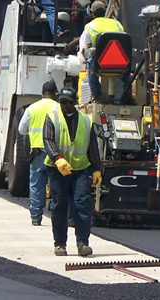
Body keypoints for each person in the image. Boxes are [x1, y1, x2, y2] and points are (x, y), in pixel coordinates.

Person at [42, 86, 102, 257]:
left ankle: (82, 243)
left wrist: (96, 169)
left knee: (82, 204)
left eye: (68, 102)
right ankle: (60, 244)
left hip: (80, 169)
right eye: (61, 102)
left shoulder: (86, 120)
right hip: (57, 170)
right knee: (59, 205)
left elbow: (92, 146)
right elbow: (47, 139)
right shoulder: (52, 118)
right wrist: (57, 158)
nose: (64, 105)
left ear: (75, 103)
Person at [18, 80, 60, 226]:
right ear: (55, 93)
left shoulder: (31, 108)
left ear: (42, 94)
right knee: (56, 184)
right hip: (54, 152)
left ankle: (36, 216)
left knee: (36, 184)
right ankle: (56, 215)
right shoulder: (58, 107)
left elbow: (21, 129)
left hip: (37, 152)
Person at [77, 0, 128, 102]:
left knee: (90, 63)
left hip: (101, 64)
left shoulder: (90, 26)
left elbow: (84, 47)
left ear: (92, 13)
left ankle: (97, 95)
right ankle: (128, 92)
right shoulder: (117, 24)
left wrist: (84, 54)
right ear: (105, 12)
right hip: (120, 62)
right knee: (127, 71)